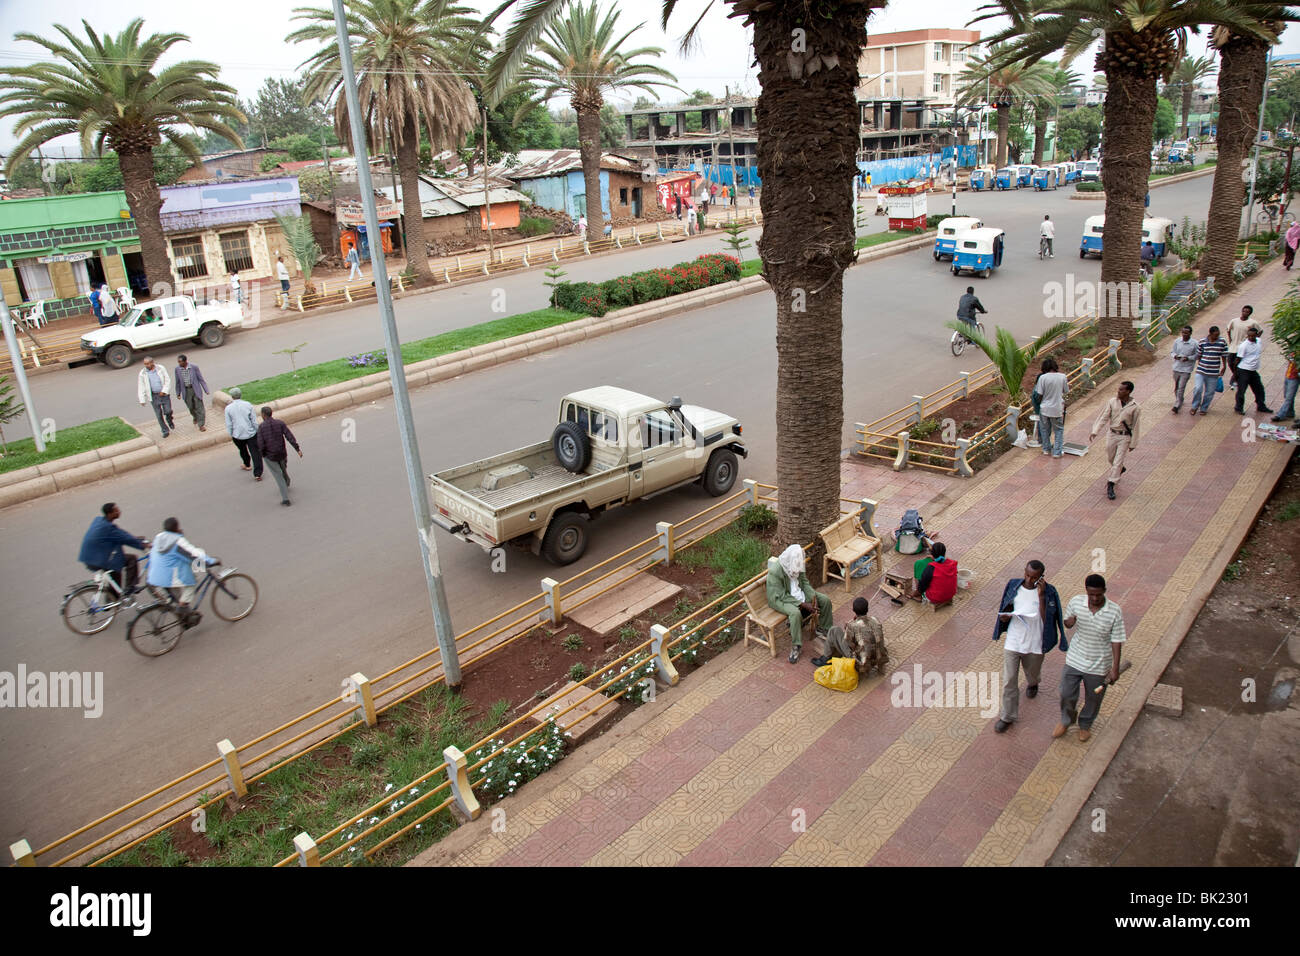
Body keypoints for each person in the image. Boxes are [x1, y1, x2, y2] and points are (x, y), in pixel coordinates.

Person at [993, 560, 1067, 734]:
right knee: (1009, 680)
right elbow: (1007, 606)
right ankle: (1007, 716)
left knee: (1032, 673)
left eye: (1034, 577)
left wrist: (1041, 597)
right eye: (1027, 575)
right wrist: (1005, 617)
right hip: (1014, 640)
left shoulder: (1049, 592)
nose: (1029, 579)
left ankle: (1033, 683)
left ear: (1041, 577)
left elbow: (1048, 620)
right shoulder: (1014, 585)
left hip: (1035, 643)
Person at [1054, 573, 1126, 743]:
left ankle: (1085, 725)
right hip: (1075, 659)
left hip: (1099, 665)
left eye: (1098, 594)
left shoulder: (1114, 611)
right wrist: (1069, 622)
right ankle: (1066, 720)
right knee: (1066, 692)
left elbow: (1116, 640)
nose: (1094, 598)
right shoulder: (1076, 602)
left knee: (1094, 697)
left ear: (1104, 591)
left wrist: (1115, 668)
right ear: (1086, 591)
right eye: (1091, 594)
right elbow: (1067, 622)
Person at [767, 544, 832, 664]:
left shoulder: (797, 563)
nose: (798, 568)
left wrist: (813, 596)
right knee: (795, 613)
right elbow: (781, 595)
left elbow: (804, 581)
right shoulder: (776, 572)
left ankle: (824, 628)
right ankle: (796, 646)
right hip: (780, 598)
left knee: (825, 600)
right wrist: (802, 604)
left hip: (796, 593)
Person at [146, 516, 217, 627]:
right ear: (177, 527)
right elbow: (193, 554)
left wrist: (179, 535)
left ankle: (183, 615)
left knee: (177, 591)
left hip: (154, 576)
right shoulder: (178, 541)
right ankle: (182, 608)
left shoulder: (159, 537)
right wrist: (211, 561)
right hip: (168, 577)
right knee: (191, 584)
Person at [78, 502, 148, 595]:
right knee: (131, 559)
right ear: (110, 514)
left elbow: (120, 533)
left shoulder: (99, 521)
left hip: (89, 557)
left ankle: (112, 600)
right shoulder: (108, 528)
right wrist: (143, 545)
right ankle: (130, 588)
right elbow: (124, 538)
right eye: (116, 510)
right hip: (96, 559)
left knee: (115, 569)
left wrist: (135, 538)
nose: (119, 511)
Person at [1091, 380, 1140, 500]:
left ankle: (1111, 484)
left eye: (1122, 389)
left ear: (1128, 391)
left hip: (1125, 436)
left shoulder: (1135, 407)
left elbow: (1136, 425)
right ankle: (1119, 469)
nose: (1119, 391)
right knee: (1111, 457)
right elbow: (1104, 417)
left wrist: (1133, 443)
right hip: (1112, 434)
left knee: (1118, 461)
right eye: (1119, 389)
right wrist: (1095, 431)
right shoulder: (1112, 402)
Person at [813, 596, 887, 674]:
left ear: (853, 610)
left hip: (862, 664)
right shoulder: (875, 619)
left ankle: (825, 659)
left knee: (834, 630)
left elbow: (850, 645)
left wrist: (847, 629)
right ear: (867, 609)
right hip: (878, 658)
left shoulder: (852, 626)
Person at [256, 406, 302, 506]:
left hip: (270, 456)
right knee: (283, 468)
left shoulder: (261, 427)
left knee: (278, 475)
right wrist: (297, 449)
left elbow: (261, 444)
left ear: (263, 415)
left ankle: (285, 498)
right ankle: (287, 480)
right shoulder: (280, 423)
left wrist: (262, 454)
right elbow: (289, 436)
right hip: (282, 453)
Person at [1189, 325, 1229, 417]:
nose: (1217, 337)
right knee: (1198, 388)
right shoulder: (1202, 342)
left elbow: (1224, 355)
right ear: (1210, 334)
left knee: (1209, 392)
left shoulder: (1222, 342)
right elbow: (1199, 354)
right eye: (1215, 335)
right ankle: (1194, 406)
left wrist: (1224, 367)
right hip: (1201, 370)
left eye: (1218, 335)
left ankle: (1204, 408)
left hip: (1214, 372)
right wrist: (1200, 364)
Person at [1233, 325, 1272, 415]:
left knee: (1259, 389)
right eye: (1249, 336)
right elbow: (1237, 360)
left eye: (1253, 336)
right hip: (1243, 370)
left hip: (1253, 371)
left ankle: (1261, 406)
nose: (1251, 338)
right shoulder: (1243, 346)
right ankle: (1238, 408)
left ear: (1256, 335)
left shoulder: (1258, 341)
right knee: (1242, 390)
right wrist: (1235, 374)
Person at [224, 387, 263, 479]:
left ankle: (247, 464)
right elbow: (254, 421)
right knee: (255, 453)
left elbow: (229, 424)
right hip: (251, 433)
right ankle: (258, 473)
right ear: (240, 395)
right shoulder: (248, 405)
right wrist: (257, 430)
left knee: (243, 450)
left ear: (232, 397)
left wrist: (231, 434)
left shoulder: (228, 408)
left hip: (237, 435)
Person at [1033, 356, 1069, 457]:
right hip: (1057, 409)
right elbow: (1066, 390)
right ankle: (1057, 452)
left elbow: (1039, 394)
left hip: (1044, 409)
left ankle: (1046, 449)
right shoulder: (1062, 377)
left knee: (1044, 430)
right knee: (1058, 430)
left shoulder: (1042, 378)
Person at [1225, 305, 1262, 390]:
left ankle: (1233, 380)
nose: (1245, 313)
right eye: (1244, 311)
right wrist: (1230, 339)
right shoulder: (1234, 321)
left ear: (1250, 313)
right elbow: (1228, 329)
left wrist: (1253, 340)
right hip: (1234, 346)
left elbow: (1260, 331)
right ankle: (1236, 376)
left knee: (1237, 363)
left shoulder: (1253, 323)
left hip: (1243, 347)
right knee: (1230, 362)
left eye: (1247, 312)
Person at [137, 355, 175, 438]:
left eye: (148, 364)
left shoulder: (161, 368)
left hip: (164, 394)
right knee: (158, 414)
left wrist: (164, 391)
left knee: (168, 411)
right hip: (153, 396)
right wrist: (142, 399)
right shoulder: (142, 373)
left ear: (152, 362)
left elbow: (167, 380)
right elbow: (141, 386)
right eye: (145, 364)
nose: (146, 366)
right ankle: (165, 430)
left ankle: (169, 420)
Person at [913, 541, 958, 607]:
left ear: (932, 554)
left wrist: (914, 594)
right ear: (944, 553)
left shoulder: (931, 568)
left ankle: (919, 597)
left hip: (936, 598)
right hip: (951, 594)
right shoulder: (953, 564)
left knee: (923, 581)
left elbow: (922, 586)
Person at [173, 354, 210, 432]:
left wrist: (206, 389)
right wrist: (178, 393)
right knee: (191, 407)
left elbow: (201, 379)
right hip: (186, 391)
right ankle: (195, 416)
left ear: (185, 361)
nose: (179, 363)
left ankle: (201, 424)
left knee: (199, 407)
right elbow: (178, 382)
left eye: (180, 362)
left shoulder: (194, 367)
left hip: (195, 389)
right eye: (178, 362)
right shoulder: (177, 369)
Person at [1169, 324, 1199, 414]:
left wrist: (1189, 358)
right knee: (1177, 387)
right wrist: (1175, 356)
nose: (1184, 334)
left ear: (1190, 333)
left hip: (1186, 369)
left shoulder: (1194, 343)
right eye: (1183, 333)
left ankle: (1177, 405)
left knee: (1181, 387)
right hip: (1177, 367)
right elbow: (1172, 352)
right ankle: (1180, 399)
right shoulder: (1177, 341)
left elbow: (1197, 355)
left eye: (1186, 333)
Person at [1273, 356, 1299, 422]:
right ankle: (1290, 412)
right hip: (1288, 375)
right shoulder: (1293, 351)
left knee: (1289, 397)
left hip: (1294, 378)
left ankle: (1280, 415)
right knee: (1287, 395)